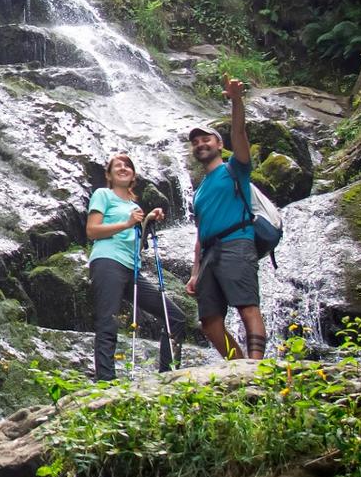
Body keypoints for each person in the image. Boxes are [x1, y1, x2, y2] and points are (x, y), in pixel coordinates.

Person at [185, 77, 267, 361]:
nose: (200, 144)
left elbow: (241, 132)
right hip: (209, 253)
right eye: (195, 142)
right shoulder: (200, 190)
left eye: (205, 139)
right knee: (210, 322)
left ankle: (257, 368)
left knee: (247, 307)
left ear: (219, 144)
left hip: (237, 244)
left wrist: (236, 100)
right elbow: (199, 232)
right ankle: (239, 365)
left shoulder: (235, 169)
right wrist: (195, 271)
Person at [86, 152, 185, 380]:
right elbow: (92, 231)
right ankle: (105, 382)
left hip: (131, 268)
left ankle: (167, 376)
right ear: (109, 175)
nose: (123, 168)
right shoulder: (103, 195)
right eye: (117, 166)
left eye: (127, 165)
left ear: (133, 176)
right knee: (107, 321)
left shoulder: (134, 206)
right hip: (107, 261)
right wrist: (128, 222)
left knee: (175, 317)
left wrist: (147, 219)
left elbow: (135, 246)